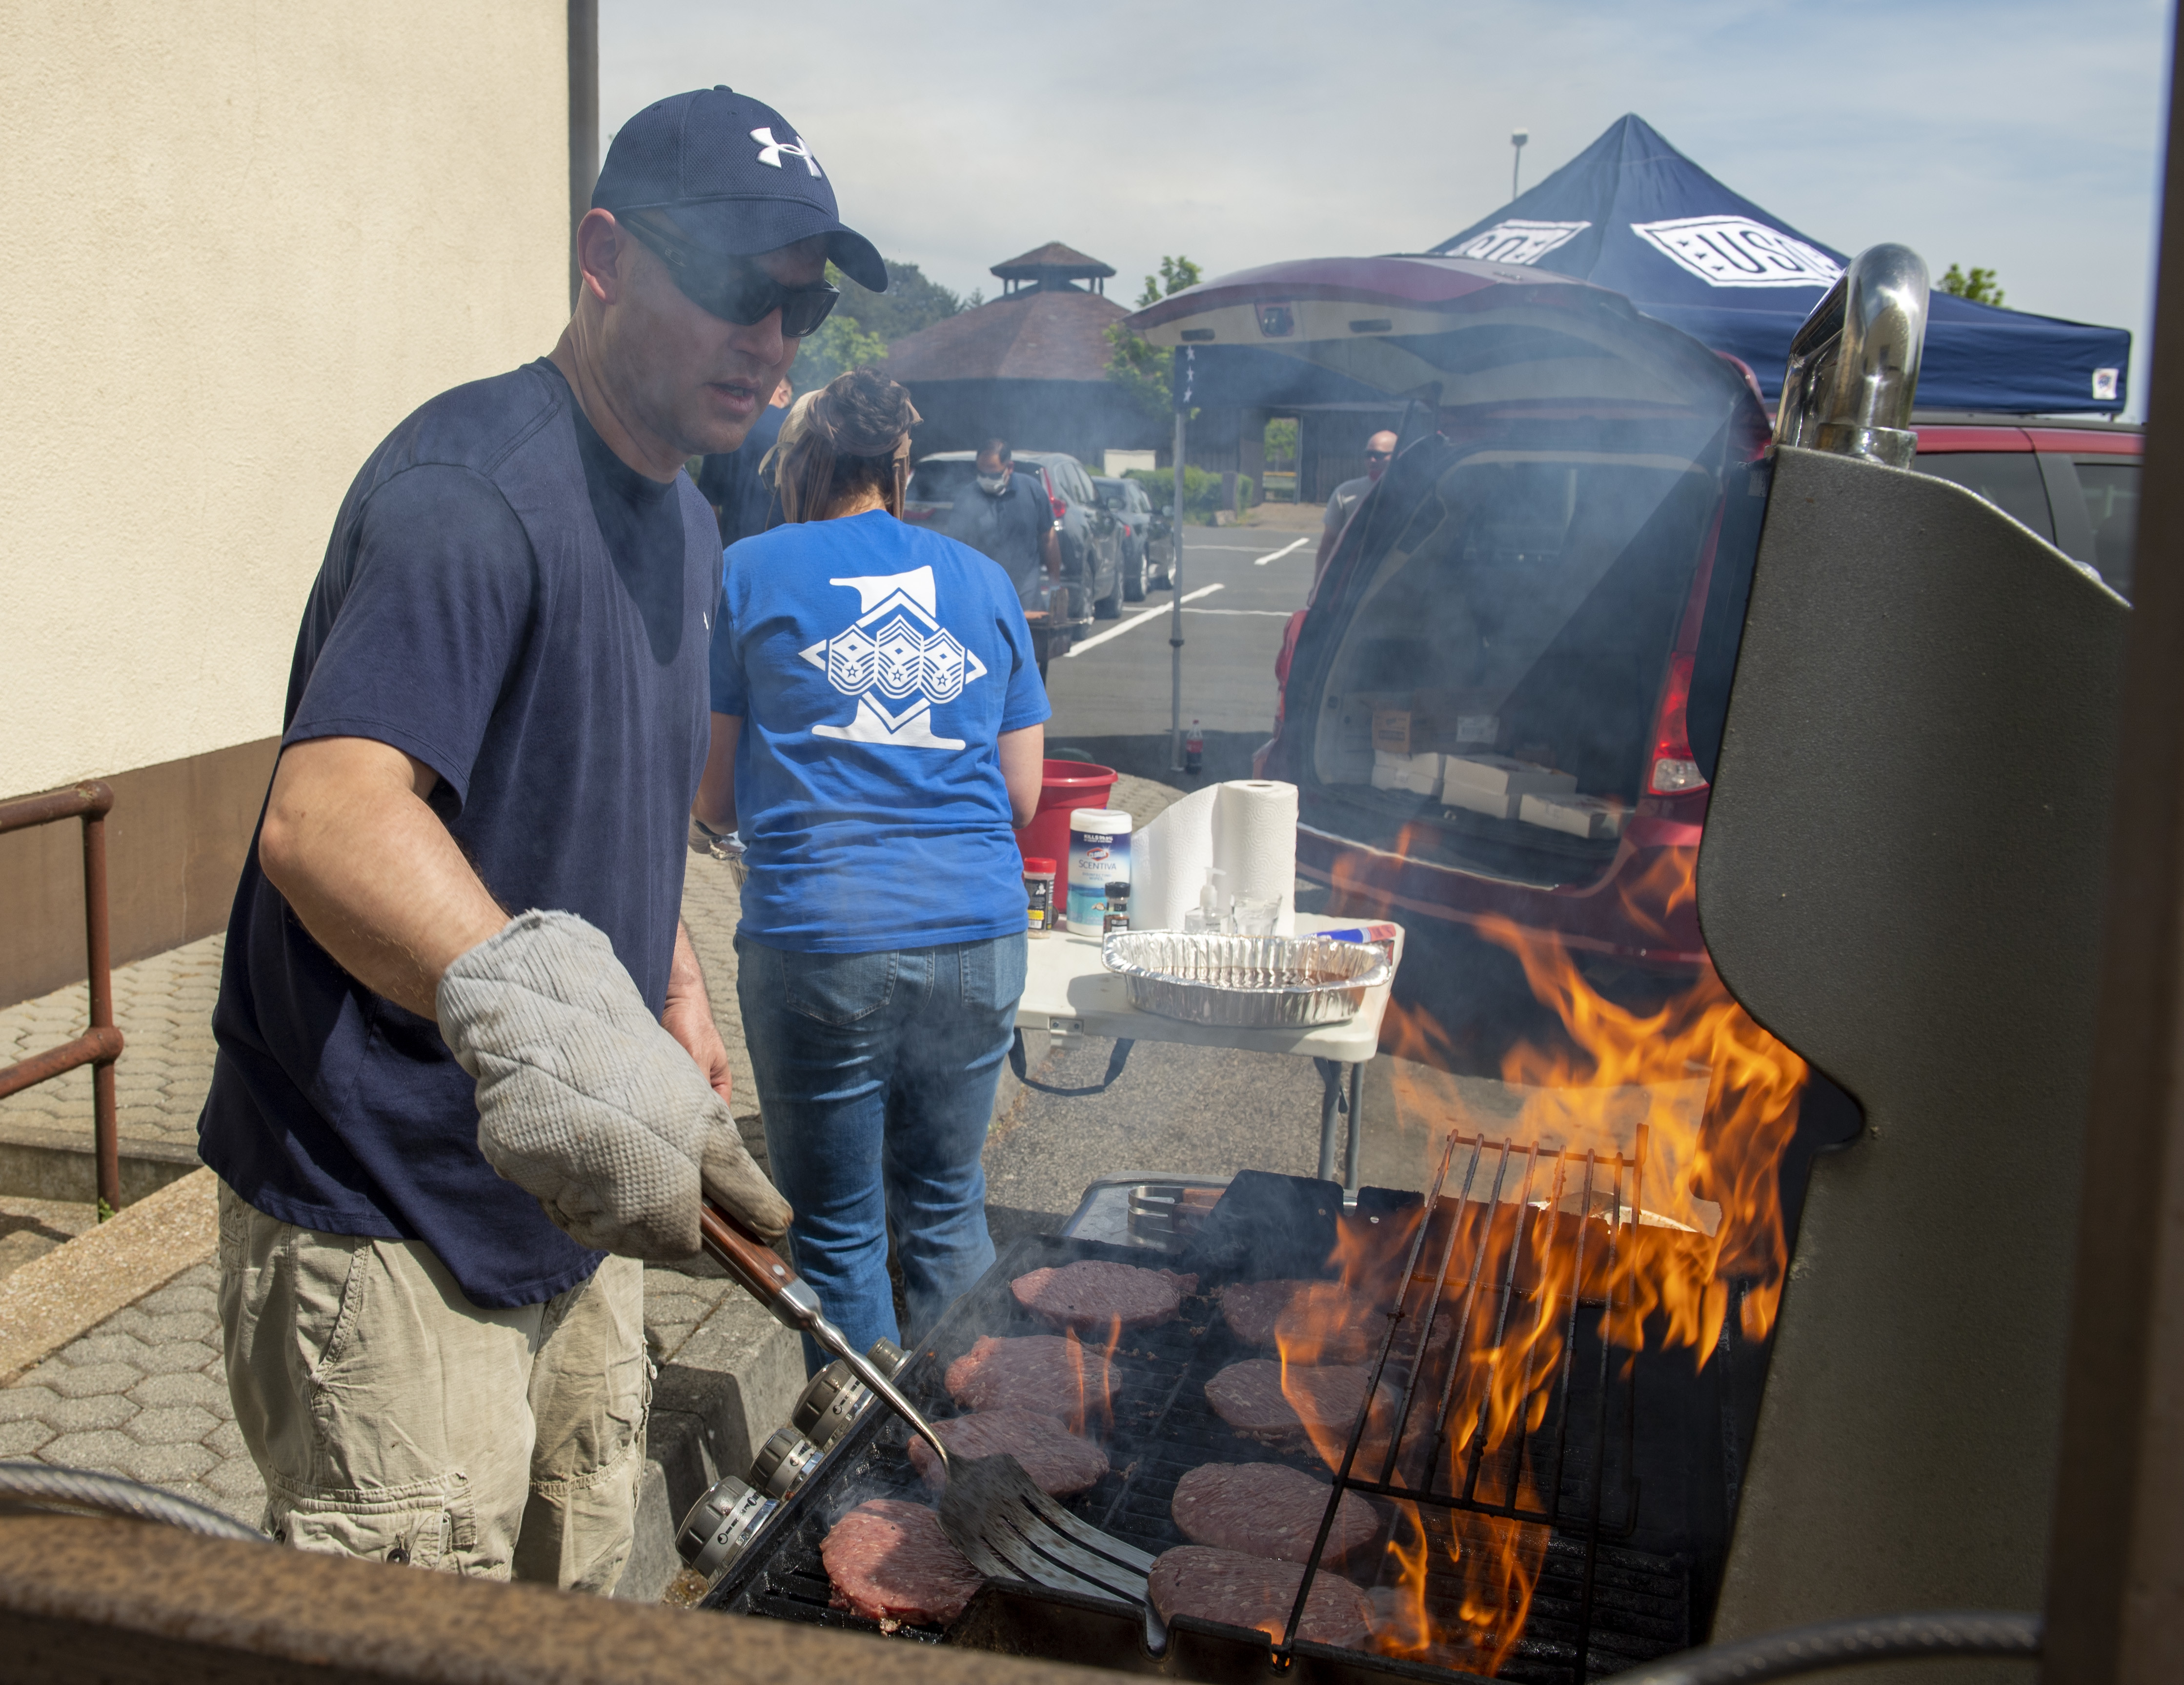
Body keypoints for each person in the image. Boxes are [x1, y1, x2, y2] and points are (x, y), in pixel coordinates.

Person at [195, 85, 886, 1589]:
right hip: (386, 1208)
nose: (771, 338)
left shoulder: (693, 522)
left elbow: (609, 798)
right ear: (603, 255)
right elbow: (326, 819)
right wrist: (548, 1021)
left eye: (802, 305)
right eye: (734, 286)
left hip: (572, 1204)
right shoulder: (473, 492)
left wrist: (673, 995)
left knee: (578, 1610)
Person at [694, 370, 1048, 1370]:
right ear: (897, 468)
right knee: (947, 1208)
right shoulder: (983, 581)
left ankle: (876, 1491)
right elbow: (1021, 797)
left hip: (823, 941)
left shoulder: (746, 570)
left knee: (842, 1235)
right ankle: (977, 1456)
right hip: (979, 933)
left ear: (801, 464)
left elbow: (713, 798)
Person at [945, 436, 1060, 612]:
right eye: (982, 474)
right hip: (983, 591)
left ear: (1010, 467)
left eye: (994, 474)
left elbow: (1049, 538)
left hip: (1025, 592)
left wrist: (1054, 586)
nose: (987, 479)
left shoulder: (1032, 491)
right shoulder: (967, 497)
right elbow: (956, 546)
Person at [694, 374, 792, 546]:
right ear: (783, 393)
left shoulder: (726, 425)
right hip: (780, 552)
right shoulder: (793, 431)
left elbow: (708, 505)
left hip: (732, 552)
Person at [1314, 428, 1400, 577]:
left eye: (1379, 455)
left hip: (1392, 579)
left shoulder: (1411, 493)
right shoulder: (1346, 492)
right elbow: (1328, 543)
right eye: (1368, 455)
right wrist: (1317, 587)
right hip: (1350, 578)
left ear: (1398, 456)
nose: (1372, 460)